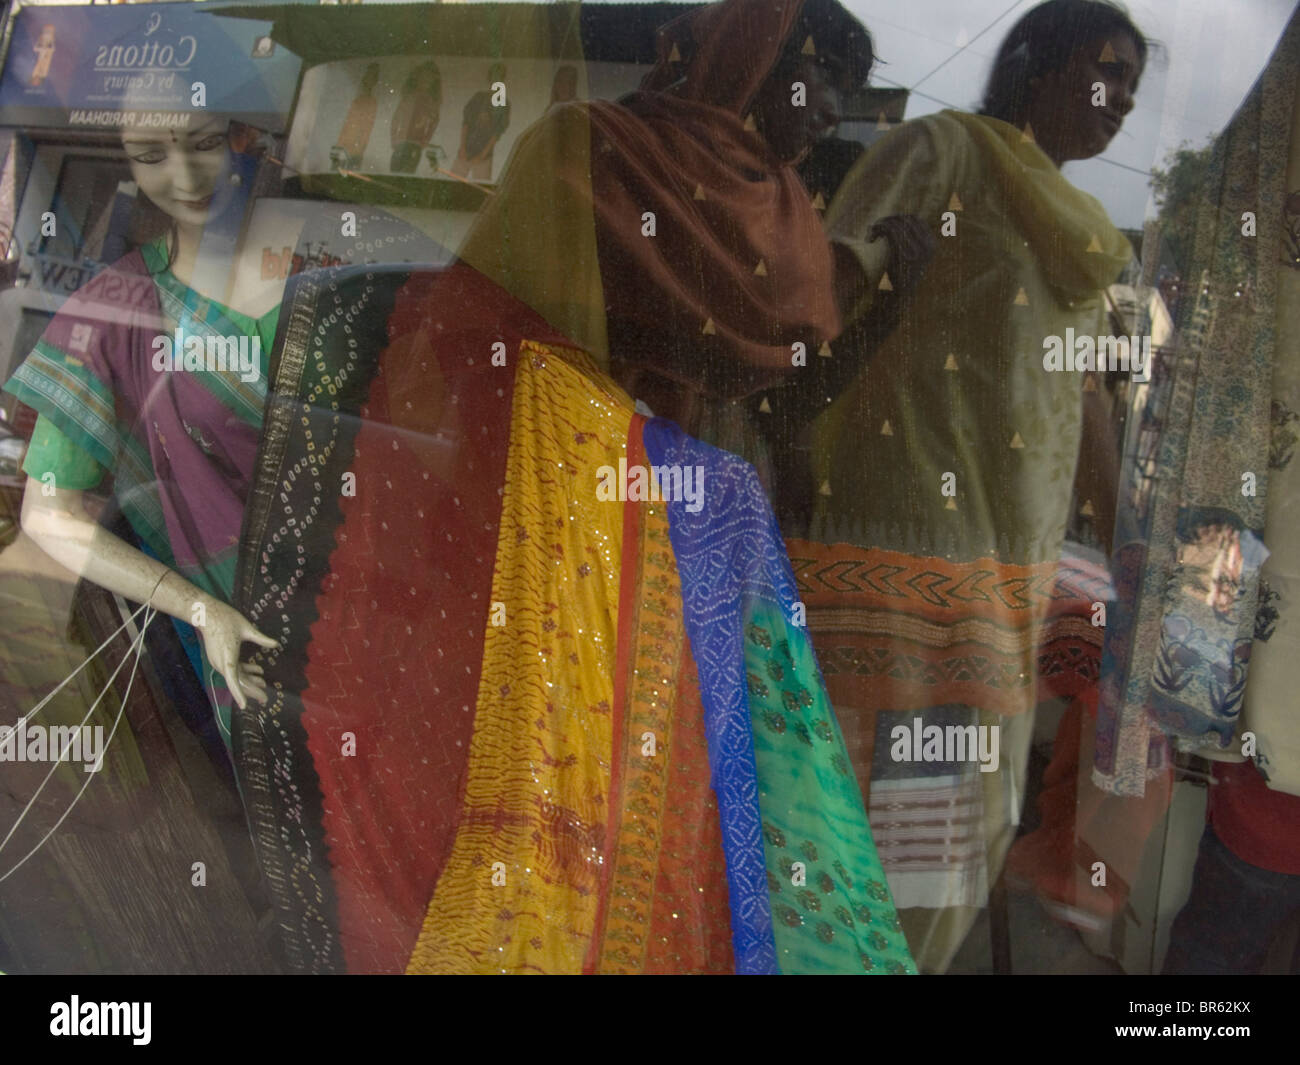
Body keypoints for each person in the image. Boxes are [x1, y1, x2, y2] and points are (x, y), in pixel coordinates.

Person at [793, 0, 1147, 971]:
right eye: (1104, 70)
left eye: (1132, 87)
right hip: (905, 553)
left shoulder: (1077, 238)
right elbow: (817, 296)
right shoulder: (942, 152)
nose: (1118, 101)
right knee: (865, 843)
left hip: (1006, 581)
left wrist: (1129, 549)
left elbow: (1083, 399)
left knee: (939, 853)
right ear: (1035, 66)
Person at [454, 0, 927, 483]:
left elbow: (780, 410)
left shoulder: (791, 216)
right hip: (571, 484)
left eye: (845, 92)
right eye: (824, 70)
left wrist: (887, 300)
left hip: (715, 511)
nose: (832, 111)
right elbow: (487, 340)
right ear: (754, 49)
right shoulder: (592, 147)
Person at [5, 117, 280, 758]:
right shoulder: (119, 308)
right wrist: (198, 609)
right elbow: (48, 514)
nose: (183, 177)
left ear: (245, 136)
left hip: (388, 596)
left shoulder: (333, 262)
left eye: (206, 144)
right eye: (151, 155)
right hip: (246, 628)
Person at [389, 61, 441, 174]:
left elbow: (435, 121)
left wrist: (426, 139)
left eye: (429, 79)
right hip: (400, 142)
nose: (425, 81)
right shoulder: (408, 97)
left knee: (408, 172)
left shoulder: (431, 101)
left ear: (433, 82)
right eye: (423, 77)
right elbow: (395, 119)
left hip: (415, 144)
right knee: (394, 171)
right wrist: (393, 138)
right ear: (417, 78)